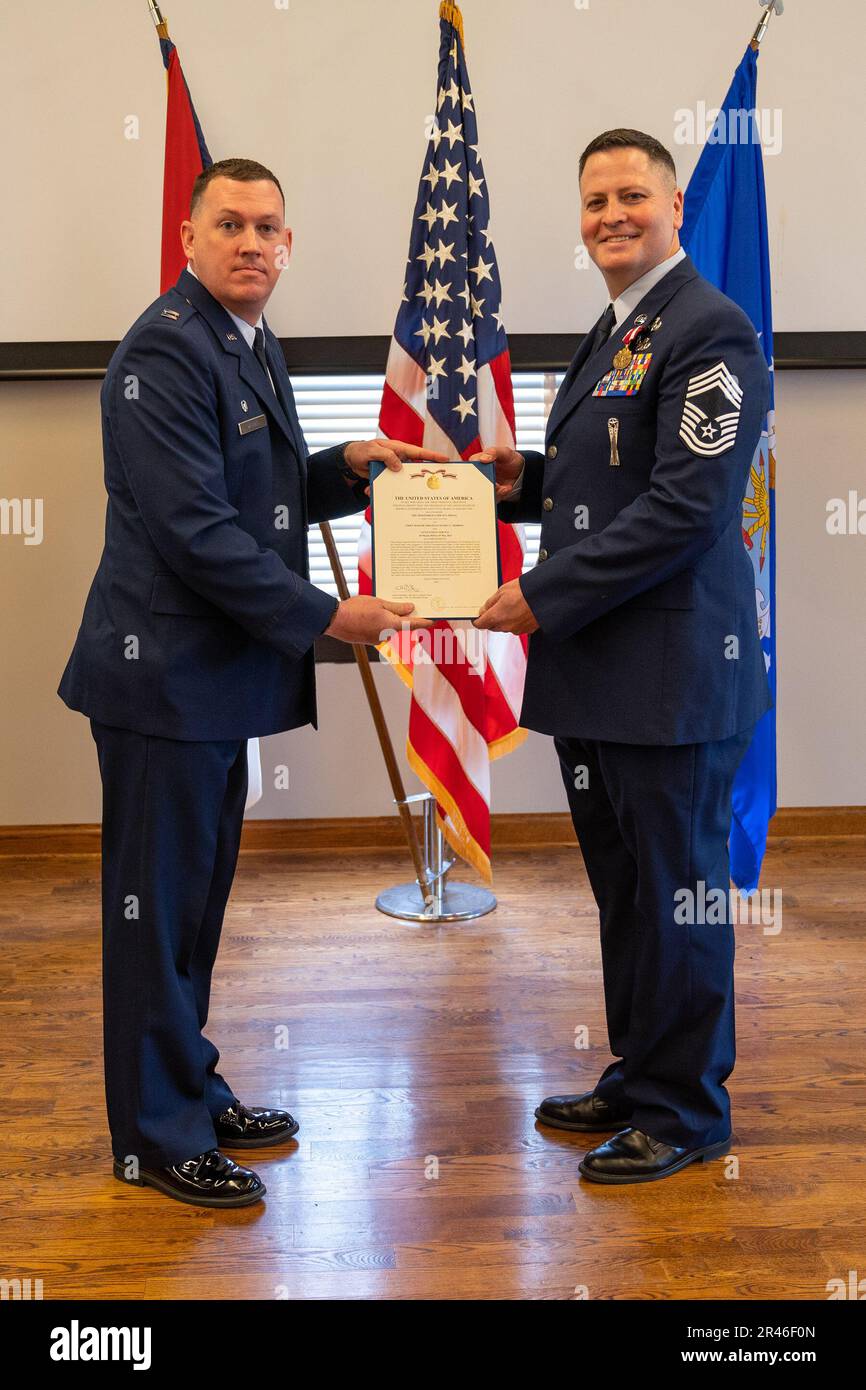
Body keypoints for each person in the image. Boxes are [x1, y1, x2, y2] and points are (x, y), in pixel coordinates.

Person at [58, 157, 438, 1208]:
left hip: (210, 684)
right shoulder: (164, 350)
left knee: (192, 909)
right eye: (229, 224)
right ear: (188, 238)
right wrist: (328, 617)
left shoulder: (245, 339)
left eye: (268, 227)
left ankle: (189, 1086)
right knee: (155, 915)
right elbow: (197, 533)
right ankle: (155, 1138)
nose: (251, 243)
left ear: (287, 245)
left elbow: (255, 494)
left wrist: (347, 463)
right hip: (161, 686)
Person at [474, 129, 771, 1184]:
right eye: (595, 199)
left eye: (631, 195)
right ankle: (641, 1072)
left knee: (678, 894)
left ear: (674, 205)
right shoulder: (621, 326)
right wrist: (519, 481)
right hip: (602, 676)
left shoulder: (709, 328)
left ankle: (684, 1110)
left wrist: (540, 594)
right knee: (627, 891)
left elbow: (684, 510)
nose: (611, 215)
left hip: (671, 679)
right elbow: (607, 478)